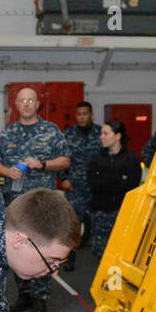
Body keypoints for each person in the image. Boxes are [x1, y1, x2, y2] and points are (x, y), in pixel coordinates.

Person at [0, 87, 71, 312]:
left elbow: (65, 160)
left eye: (30, 100)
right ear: (16, 104)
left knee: (43, 246)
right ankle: (23, 294)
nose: (26, 104)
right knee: (17, 246)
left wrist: (43, 164)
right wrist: (7, 170)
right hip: (15, 203)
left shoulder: (50, 131)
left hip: (42, 205)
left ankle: (40, 298)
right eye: (22, 100)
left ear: (37, 104)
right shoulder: (8, 133)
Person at [85, 120, 141, 259]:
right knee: (100, 254)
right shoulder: (96, 158)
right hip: (100, 214)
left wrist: (104, 178)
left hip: (122, 213)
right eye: (101, 133)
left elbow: (131, 185)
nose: (101, 137)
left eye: (106, 133)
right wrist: (118, 178)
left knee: (121, 255)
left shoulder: (131, 159)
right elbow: (93, 182)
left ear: (117, 136)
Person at [60, 101, 99, 270]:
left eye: (85, 114)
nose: (82, 117)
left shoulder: (101, 133)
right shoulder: (68, 134)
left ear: (91, 115)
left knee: (99, 223)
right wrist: (63, 178)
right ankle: (69, 257)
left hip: (97, 186)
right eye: (79, 114)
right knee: (73, 224)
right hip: (75, 186)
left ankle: (99, 258)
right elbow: (61, 158)